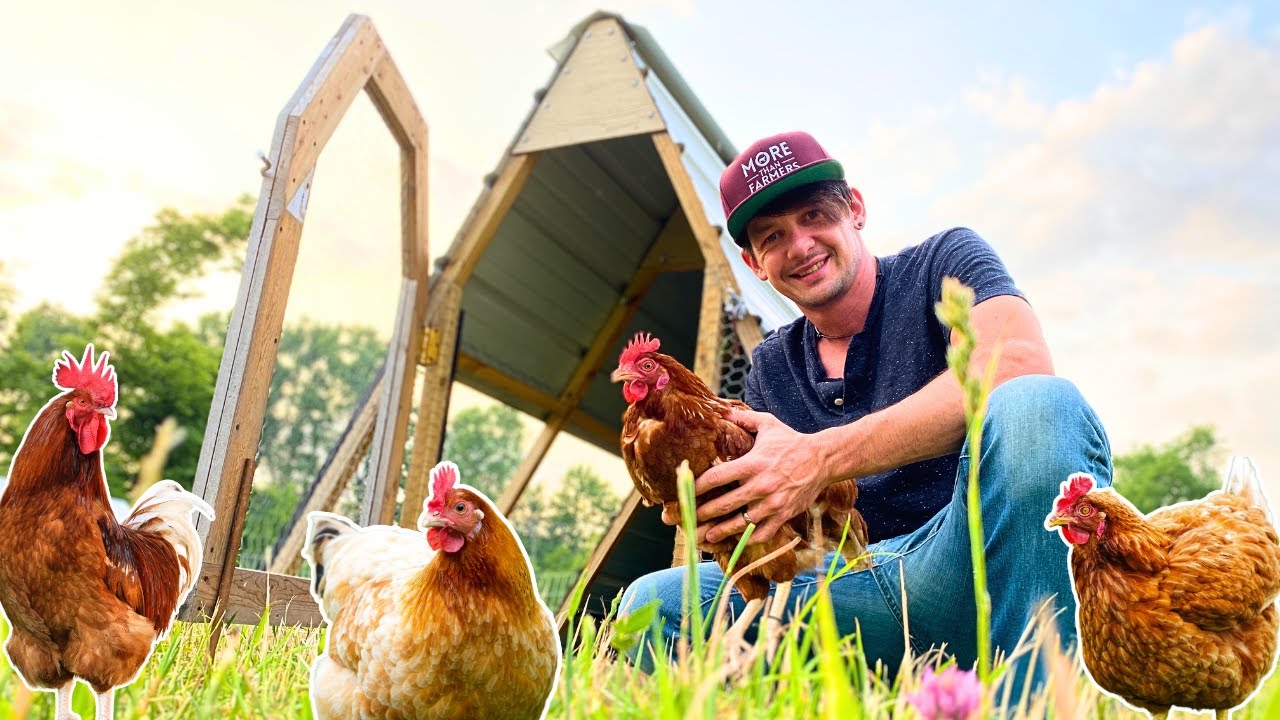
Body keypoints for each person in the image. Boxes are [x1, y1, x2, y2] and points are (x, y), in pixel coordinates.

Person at [620, 130, 1113, 684]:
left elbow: (1014, 365)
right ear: (754, 262)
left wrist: (819, 458)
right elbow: (776, 526)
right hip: (842, 583)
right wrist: (727, 518)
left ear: (854, 209)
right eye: (773, 236)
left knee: (1038, 406)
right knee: (653, 604)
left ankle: (1036, 695)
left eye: (814, 215)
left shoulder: (943, 265)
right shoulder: (771, 368)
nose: (800, 244)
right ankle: (861, 686)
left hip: (973, 555)